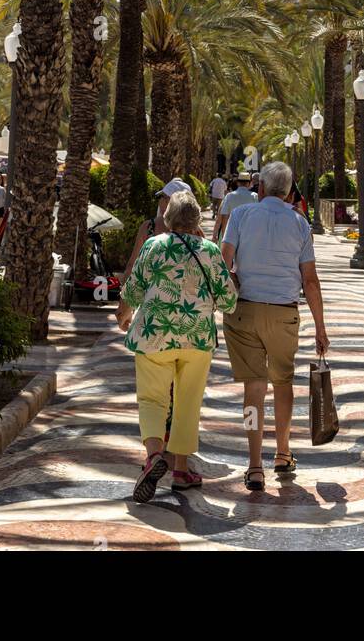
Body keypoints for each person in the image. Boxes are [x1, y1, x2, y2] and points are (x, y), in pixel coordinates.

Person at [119, 190, 236, 503]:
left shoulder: (154, 245)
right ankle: (182, 471)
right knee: (188, 401)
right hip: (197, 339)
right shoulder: (210, 251)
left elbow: (133, 290)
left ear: (168, 218)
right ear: (196, 220)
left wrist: (124, 315)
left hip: (155, 336)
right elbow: (229, 300)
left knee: (152, 398)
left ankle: (154, 456)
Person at [221, 160, 329, 492]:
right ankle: (282, 452)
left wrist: (234, 284)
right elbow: (310, 281)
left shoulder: (240, 216)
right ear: (288, 192)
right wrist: (321, 328)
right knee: (283, 384)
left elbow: (223, 263)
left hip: (245, 312)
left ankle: (255, 465)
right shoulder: (300, 224)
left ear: (261, 188)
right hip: (285, 314)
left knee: (253, 390)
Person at [212, 170, 256, 246]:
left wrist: (223, 238)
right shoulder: (254, 196)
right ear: (249, 183)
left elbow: (224, 217)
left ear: (238, 183)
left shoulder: (229, 196)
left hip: (230, 236)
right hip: (248, 237)